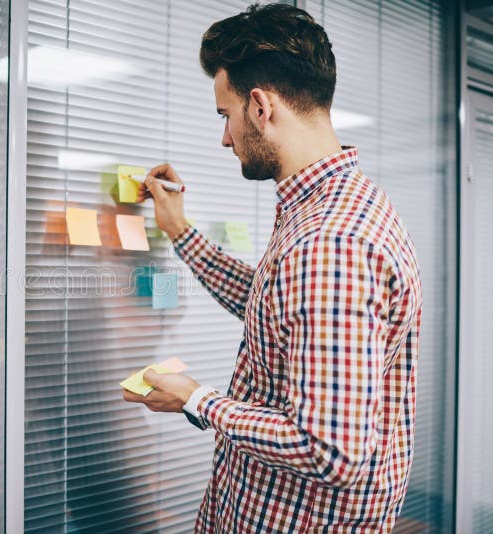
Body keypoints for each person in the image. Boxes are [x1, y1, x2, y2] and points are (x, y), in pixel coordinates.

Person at [122, 3, 422, 532]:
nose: (224, 138)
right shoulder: (338, 206)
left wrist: (196, 399)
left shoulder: (330, 242)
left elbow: (330, 449)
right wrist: (180, 232)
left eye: (225, 116)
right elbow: (276, 305)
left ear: (260, 107)